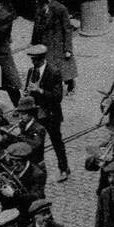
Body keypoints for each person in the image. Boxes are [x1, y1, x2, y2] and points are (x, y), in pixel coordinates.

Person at [24, 43, 68, 180]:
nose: (33, 62)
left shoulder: (54, 72)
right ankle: (39, 170)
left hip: (51, 114)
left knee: (57, 142)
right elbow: (28, 89)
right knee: (37, 144)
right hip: (37, 114)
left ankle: (64, 169)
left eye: (35, 60)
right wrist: (27, 93)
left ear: (42, 59)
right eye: (32, 60)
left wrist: (40, 91)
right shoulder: (32, 71)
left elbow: (57, 97)